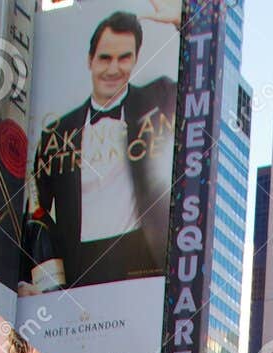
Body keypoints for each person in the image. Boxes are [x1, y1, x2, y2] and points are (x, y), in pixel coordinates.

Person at [21, 5, 180, 295]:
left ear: (136, 59)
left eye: (124, 58)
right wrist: (23, 280)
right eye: (105, 58)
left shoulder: (159, 97)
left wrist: (183, 22)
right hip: (79, 267)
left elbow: (200, 90)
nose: (113, 69)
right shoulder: (56, 132)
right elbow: (35, 218)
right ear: (89, 60)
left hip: (142, 258)